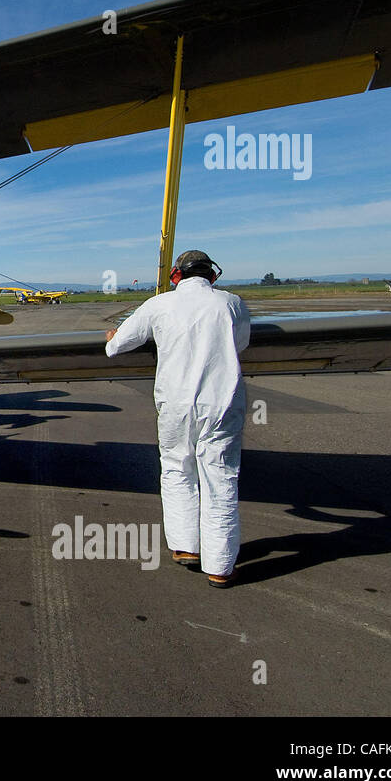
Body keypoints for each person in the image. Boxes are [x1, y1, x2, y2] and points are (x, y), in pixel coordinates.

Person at [104, 251, 250, 587]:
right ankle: (220, 566)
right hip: (222, 402)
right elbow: (239, 343)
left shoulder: (159, 304)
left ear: (175, 276)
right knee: (220, 478)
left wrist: (113, 338)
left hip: (176, 404)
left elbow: (118, 346)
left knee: (176, 468)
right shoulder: (232, 303)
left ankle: (186, 547)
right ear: (212, 276)